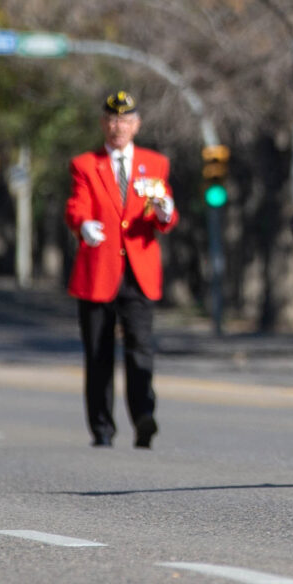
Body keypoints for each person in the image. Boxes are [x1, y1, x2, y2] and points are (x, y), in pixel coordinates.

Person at [67, 90, 178, 449]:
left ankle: (144, 416)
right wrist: (83, 224)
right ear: (103, 123)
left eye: (126, 120)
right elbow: (77, 206)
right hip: (99, 271)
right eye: (112, 120)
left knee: (140, 349)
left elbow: (163, 216)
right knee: (98, 352)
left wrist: (163, 210)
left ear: (137, 124)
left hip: (138, 271)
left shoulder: (154, 163)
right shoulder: (86, 164)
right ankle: (102, 427)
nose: (118, 126)